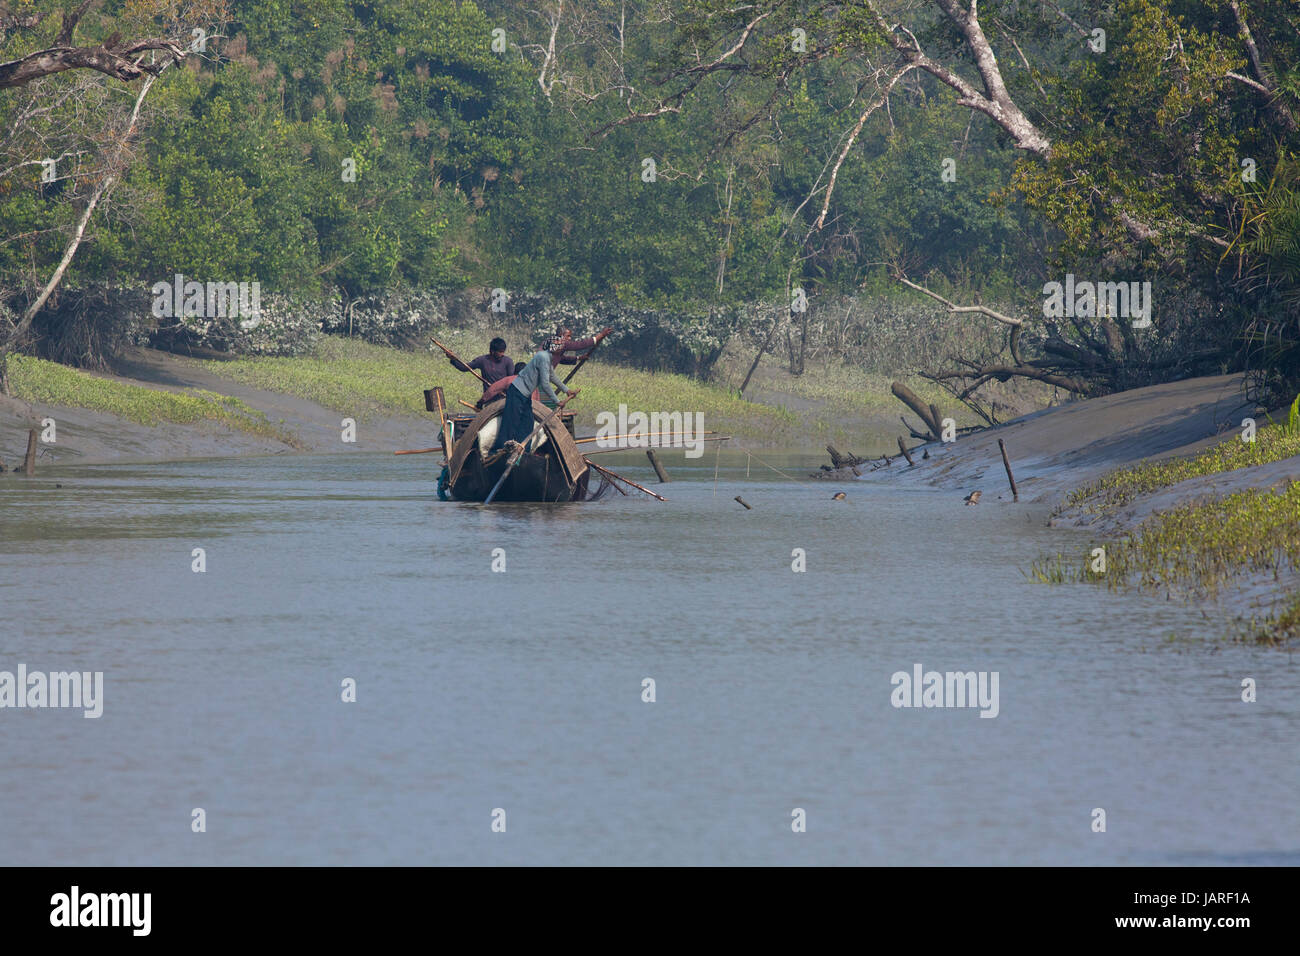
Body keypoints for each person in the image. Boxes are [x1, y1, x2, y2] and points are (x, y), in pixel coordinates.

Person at [492, 349, 577, 450]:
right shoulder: (543, 358)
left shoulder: (548, 359)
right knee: (510, 422)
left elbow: (552, 376)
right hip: (517, 391)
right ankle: (499, 449)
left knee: (528, 423)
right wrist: (557, 401)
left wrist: (566, 390)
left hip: (525, 395)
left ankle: (523, 451)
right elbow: (545, 384)